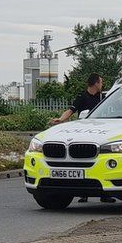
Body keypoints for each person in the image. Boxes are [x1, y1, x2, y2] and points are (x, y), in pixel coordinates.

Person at [50, 73, 112, 203]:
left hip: (101, 132)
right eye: (101, 82)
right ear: (95, 83)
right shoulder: (82, 97)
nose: (102, 85)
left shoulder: (103, 97)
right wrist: (60, 119)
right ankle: (83, 193)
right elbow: (71, 110)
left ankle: (105, 194)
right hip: (84, 133)